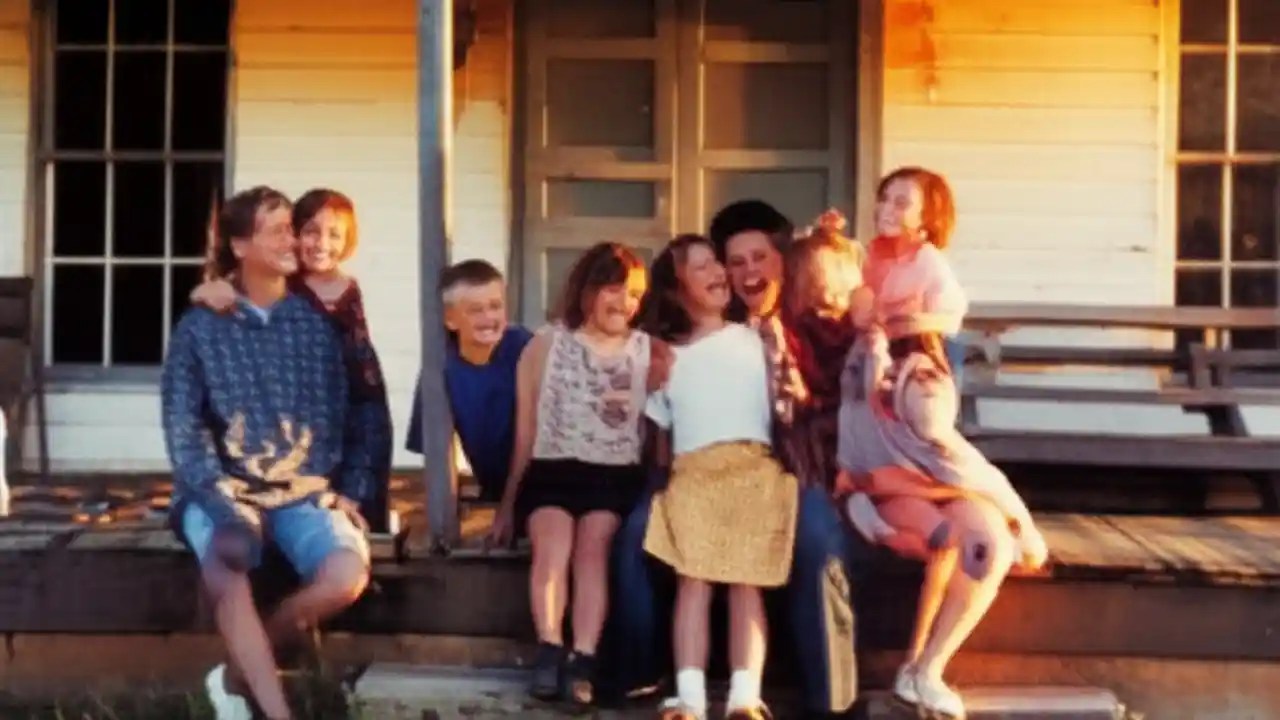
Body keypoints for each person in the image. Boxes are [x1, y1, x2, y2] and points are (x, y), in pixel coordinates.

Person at [609, 200, 863, 716]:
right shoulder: (681, 349)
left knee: (812, 542)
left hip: (790, 470)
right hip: (695, 471)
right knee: (638, 534)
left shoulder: (794, 325)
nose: (744, 273)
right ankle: (647, 677)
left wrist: (828, 245)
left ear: (785, 262)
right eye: (733, 262)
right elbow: (651, 422)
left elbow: (843, 302)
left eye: (759, 258)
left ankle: (819, 700)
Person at [163, 186, 372, 720]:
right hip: (223, 489)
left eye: (290, 229)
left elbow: (358, 411)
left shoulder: (318, 324)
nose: (292, 240)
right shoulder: (199, 327)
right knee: (228, 558)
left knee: (345, 577)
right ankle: (278, 712)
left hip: (303, 491)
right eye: (277, 230)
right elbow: (184, 432)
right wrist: (223, 502)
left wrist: (351, 487)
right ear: (240, 245)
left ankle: (237, 673)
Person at [836, 312, 1049, 718]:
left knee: (986, 546)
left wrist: (1023, 531)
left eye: (933, 376)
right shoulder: (865, 408)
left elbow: (984, 480)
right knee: (943, 538)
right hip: (896, 501)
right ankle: (911, 663)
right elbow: (856, 486)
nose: (926, 383)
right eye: (917, 377)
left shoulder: (946, 446)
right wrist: (879, 527)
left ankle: (929, 667)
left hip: (948, 492)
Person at [639, 234, 796, 720]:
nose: (717, 273)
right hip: (694, 473)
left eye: (716, 263)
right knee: (694, 580)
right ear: (676, 287)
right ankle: (689, 698)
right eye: (701, 266)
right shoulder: (668, 357)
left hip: (753, 467)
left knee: (747, 580)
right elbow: (657, 431)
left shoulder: (754, 337)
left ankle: (745, 697)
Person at [488, 242, 652, 706]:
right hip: (553, 470)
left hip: (612, 474)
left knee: (593, 547)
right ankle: (549, 648)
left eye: (635, 294)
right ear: (589, 288)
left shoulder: (644, 350)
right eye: (615, 289)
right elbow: (526, 430)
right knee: (552, 545)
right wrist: (507, 505)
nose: (625, 302)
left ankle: (583, 657)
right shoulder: (547, 344)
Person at [189, 188, 394, 532]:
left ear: (349, 240)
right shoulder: (282, 280)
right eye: (311, 231)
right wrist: (212, 291)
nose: (322, 243)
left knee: (359, 477)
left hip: (350, 395)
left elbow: (357, 361)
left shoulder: (348, 289)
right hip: (292, 409)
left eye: (334, 234)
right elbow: (218, 291)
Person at [406, 259, 534, 503]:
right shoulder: (440, 367)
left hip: (545, 487)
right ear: (450, 319)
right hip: (493, 491)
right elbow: (435, 452)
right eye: (475, 310)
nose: (489, 317)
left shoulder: (526, 348)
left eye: (495, 306)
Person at [861, 166, 968, 385]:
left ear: (927, 216)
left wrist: (899, 326)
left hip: (916, 366)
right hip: (871, 357)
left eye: (901, 204)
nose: (886, 209)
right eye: (884, 199)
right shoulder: (868, 255)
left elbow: (948, 322)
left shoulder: (928, 261)